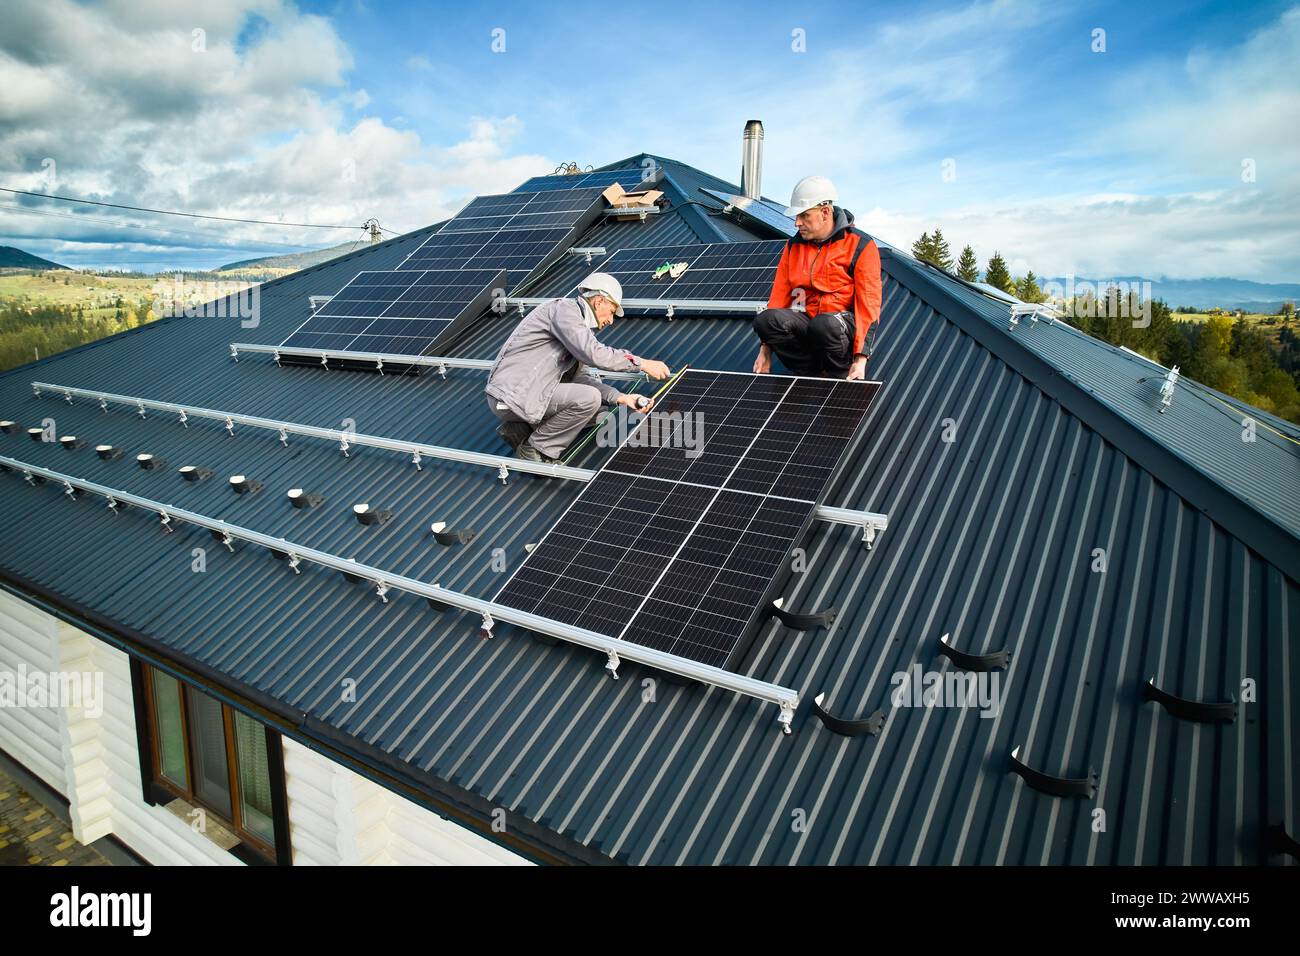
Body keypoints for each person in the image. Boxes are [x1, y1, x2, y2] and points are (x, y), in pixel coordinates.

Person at [485, 273, 671, 464]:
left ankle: (522, 428)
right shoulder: (564, 310)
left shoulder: (576, 328)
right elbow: (594, 354)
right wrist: (642, 364)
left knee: (599, 411)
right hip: (512, 396)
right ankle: (536, 449)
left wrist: (621, 398)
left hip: (528, 395)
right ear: (599, 301)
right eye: (612, 311)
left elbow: (577, 377)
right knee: (588, 399)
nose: (611, 320)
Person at [751, 175, 882, 380]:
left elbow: (869, 305)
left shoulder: (860, 245)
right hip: (808, 324)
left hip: (838, 328)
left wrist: (860, 360)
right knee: (766, 320)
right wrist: (765, 350)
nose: (797, 223)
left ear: (825, 212)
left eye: (804, 216)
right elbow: (779, 295)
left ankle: (838, 374)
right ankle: (809, 373)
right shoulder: (794, 246)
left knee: (824, 324)